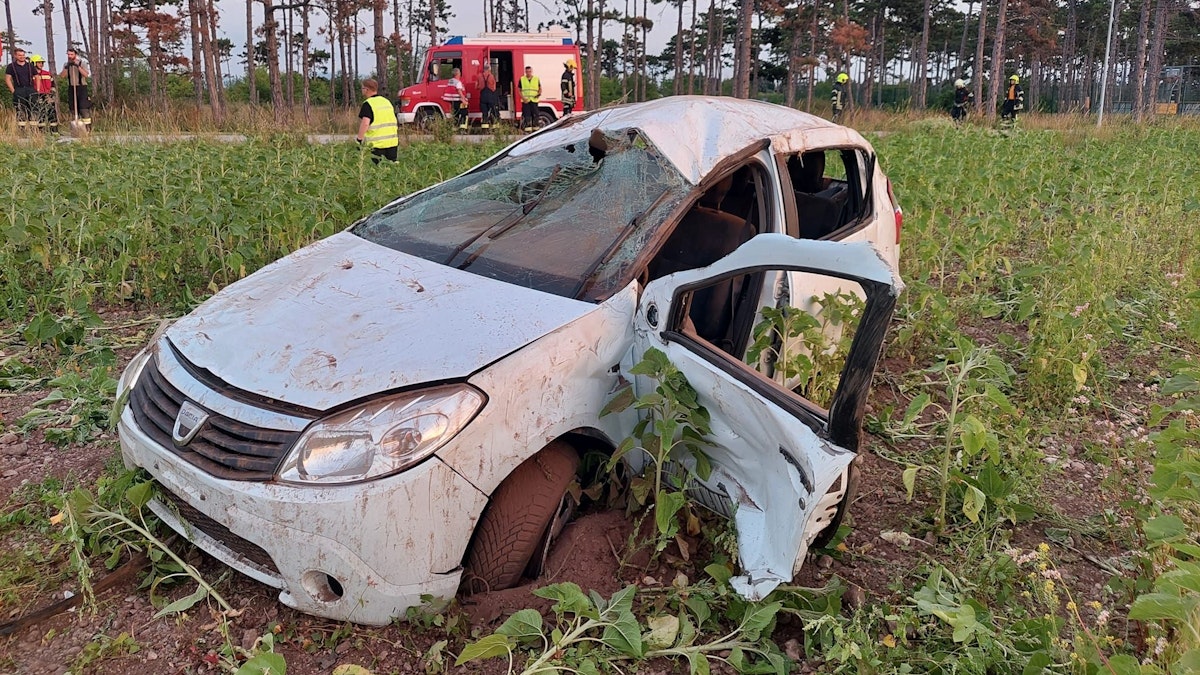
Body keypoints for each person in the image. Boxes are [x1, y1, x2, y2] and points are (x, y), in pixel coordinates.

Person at [355, 79, 398, 163]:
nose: (361, 90)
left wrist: (359, 140)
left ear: (366, 89)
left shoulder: (368, 104)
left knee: (378, 172)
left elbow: (365, 123)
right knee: (392, 170)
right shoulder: (387, 102)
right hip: (392, 143)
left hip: (377, 145)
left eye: (362, 88)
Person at [5, 49, 38, 134]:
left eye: (23, 55)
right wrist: (13, 91)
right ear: (15, 56)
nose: (22, 57)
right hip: (19, 89)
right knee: (20, 109)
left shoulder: (30, 65)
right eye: (20, 55)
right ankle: (22, 131)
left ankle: (34, 130)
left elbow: (37, 77)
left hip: (30, 89)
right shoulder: (11, 66)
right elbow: (8, 79)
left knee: (33, 109)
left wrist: (37, 89)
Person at [59, 48, 92, 131]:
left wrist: (78, 66)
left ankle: (87, 129)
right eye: (68, 55)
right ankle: (76, 128)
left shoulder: (82, 63)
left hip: (81, 87)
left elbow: (86, 75)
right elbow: (62, 76)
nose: (70, 56)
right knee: (73, 109)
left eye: (71, 54)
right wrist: (67, 67)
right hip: (71, 87)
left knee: (83, 108)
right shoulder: (66, 64)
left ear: (75, 55)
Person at [30, 54, 57, 133]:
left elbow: (52, 84)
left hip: (48, 95)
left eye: (42, 62)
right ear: (33, 63)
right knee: (40, 113)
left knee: (52, 112)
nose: (41, 64)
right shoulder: (31, 75)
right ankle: (41, 132)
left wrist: (52, 95)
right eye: (39, 62)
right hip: (37, 95)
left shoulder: (47, 73)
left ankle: (54, 131)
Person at [518, 65, 541, 132]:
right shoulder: (522, 79)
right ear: (525, 72)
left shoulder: (536, 79)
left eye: (530, 71)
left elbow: (540, 88)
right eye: (527, 71)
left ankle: (536, 129)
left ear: (531, 71)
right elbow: (519, 90)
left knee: (536, 115)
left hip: (534, 100)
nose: (528, 73)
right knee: (527, 115)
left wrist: (539, 94)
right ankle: (527, 130)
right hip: (526, 101)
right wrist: (523, 98)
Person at [477, 62, 498, 129]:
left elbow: (477, 87)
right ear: (489, 69)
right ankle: (495, 127)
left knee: (484, 112)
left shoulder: (479, 76)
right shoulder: (491, 76)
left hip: (483, 96)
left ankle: (485, 128)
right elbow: (494, 88)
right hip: (490, 96)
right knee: (493, 111)